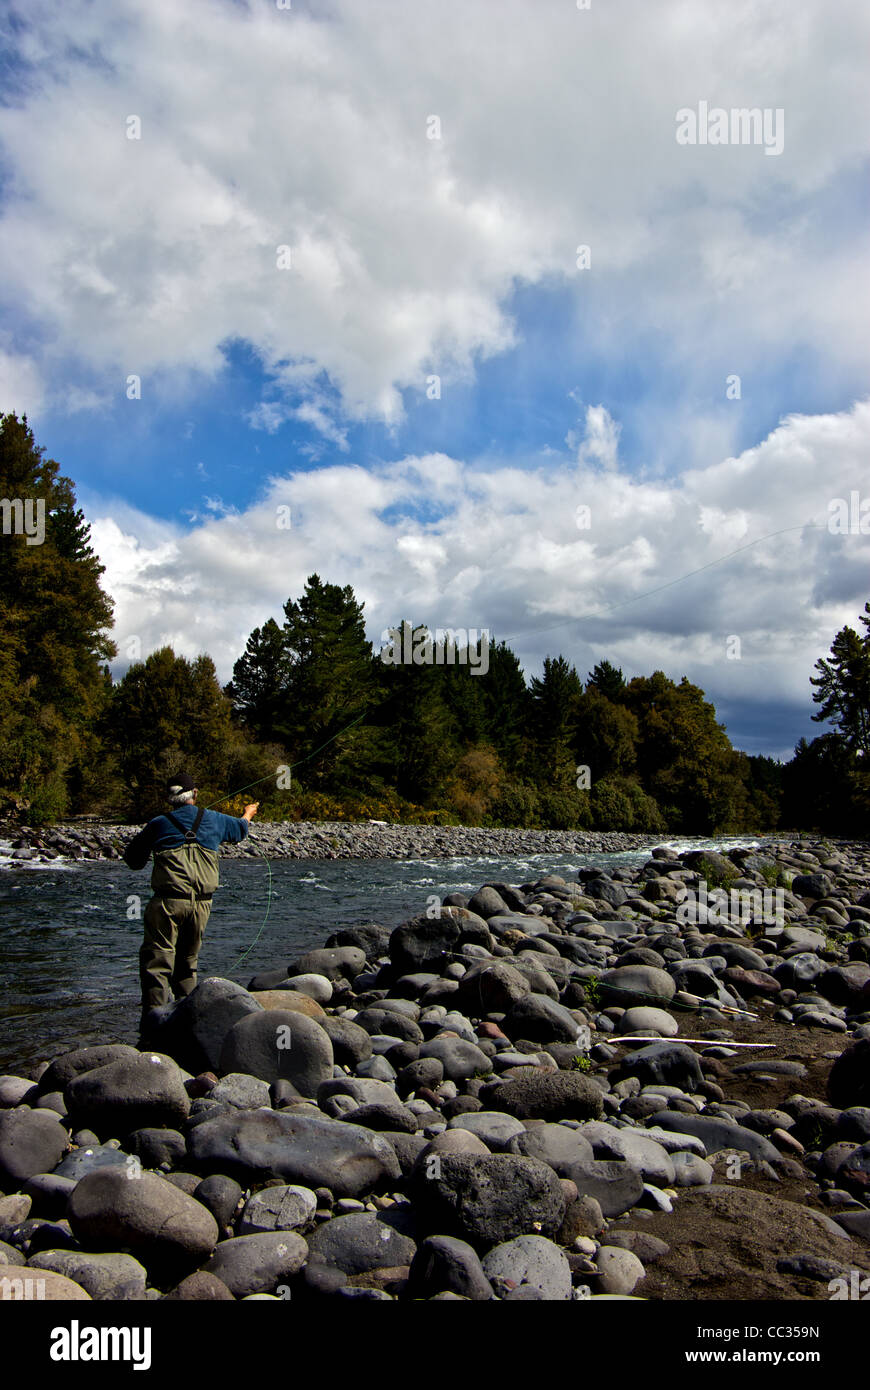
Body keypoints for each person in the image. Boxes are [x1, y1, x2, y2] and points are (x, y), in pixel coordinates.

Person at [124, 773, 259, 1026]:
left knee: (157, 964)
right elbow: (240, 830)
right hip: (202, 905)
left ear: (170, 798)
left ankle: (154, 1025)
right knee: (187, 963)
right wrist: (247, 813)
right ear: (195, 794)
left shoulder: (158, 823)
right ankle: (187, 1023)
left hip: (166, 903)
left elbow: (133, 861)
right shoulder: (215, 820)